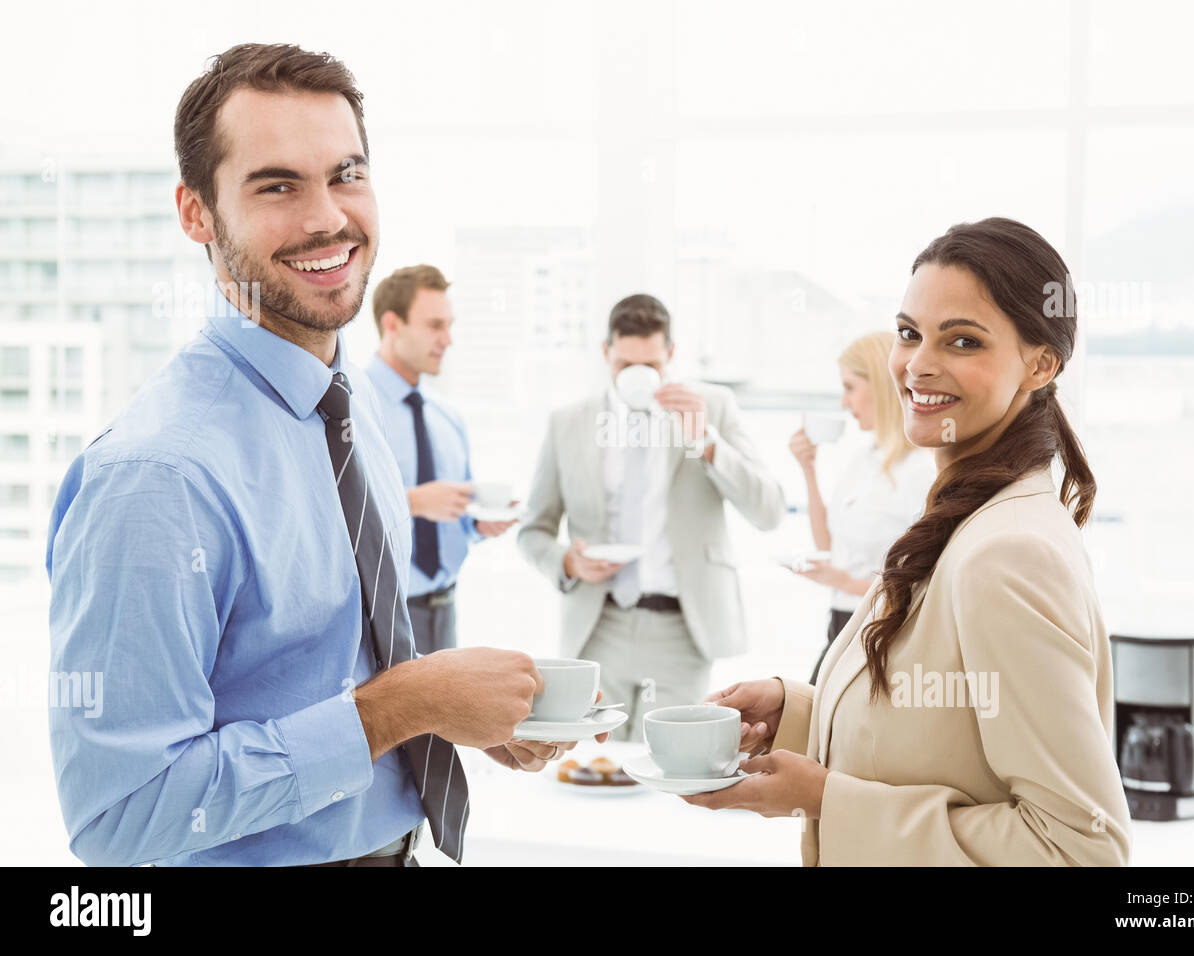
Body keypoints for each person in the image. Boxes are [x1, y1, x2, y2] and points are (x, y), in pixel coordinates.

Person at [45, 42, 585, 869]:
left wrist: (442, 713)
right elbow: (120, 817)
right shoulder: (156, 479)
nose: (328, 217)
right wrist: (395, 712)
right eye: (277, 186)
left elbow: (323, 668)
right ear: (196, 214)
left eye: (346, 174)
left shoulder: (347, 406)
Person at [683, 218, 1133, 866]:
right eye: (908, 333)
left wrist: (828, 798)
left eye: (962, 341)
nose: (919, 365)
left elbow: (1080, 848)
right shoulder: (965, 515)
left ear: (1041, 364)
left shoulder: (1006, 555)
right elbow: (946, 734)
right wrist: (799, 714)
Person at [517, 294, 786, 740]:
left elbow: (769, 510)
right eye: (624, 366)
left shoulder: (712, 407)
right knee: (596, 765)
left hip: (683, 631)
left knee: (672, 763)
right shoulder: (569, 422)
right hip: (597, 627)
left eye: (651, 366)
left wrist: (706, 440)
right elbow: (533, 531)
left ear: (672, 356)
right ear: (605, 354)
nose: (637, 377)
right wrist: (568, 561)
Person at [365, 264, 516, 655]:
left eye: (450, 325)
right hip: (376, 616)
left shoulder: (447, 418)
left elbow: (455, 523)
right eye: (434, 325)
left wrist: (479, 523)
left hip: (445, 610)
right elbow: (325, 513)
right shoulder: (349, 409)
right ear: (393, 324)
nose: (447, 339)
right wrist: (413, 501)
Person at [787, 331, 935, 683]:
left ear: (882, 385)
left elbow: (924, 586)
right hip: (839, 624)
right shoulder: (864, 459)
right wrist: (808, 470)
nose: (843, 403)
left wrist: (844, 581)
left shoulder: (921, 471)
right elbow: (827, 547)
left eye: (850, 387)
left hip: (880, 634)